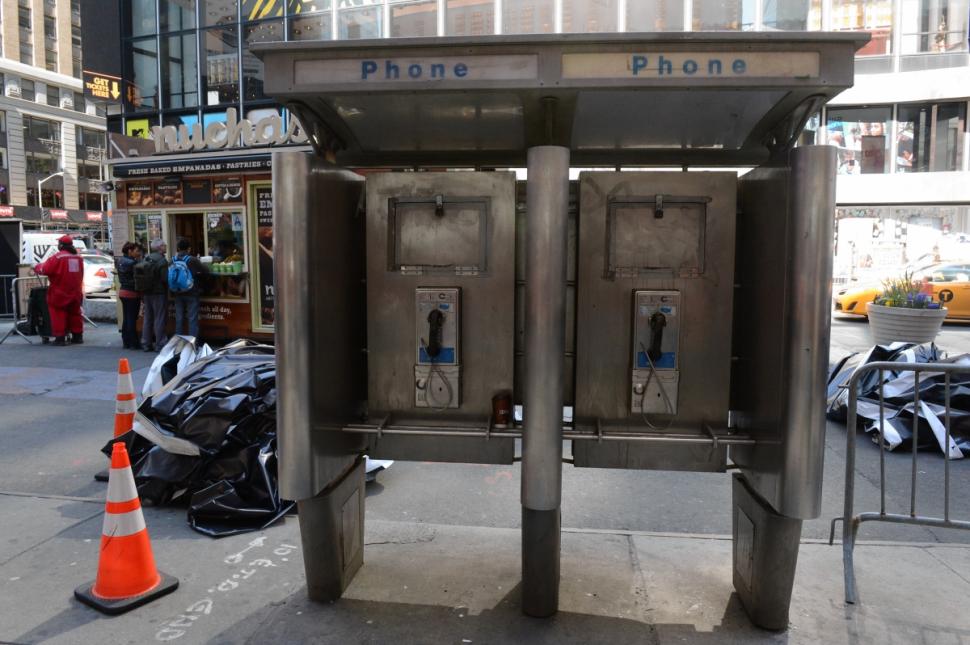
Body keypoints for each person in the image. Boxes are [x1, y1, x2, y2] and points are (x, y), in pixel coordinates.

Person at [33, 235, 84, 346]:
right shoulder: (78, 257)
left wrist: (36, 267)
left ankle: (60, 338)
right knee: (75, 314)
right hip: (75, 292)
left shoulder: (57, 257)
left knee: (58, 314)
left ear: (61, 245)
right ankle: (77, 336)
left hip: (59, 292)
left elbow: (44, 269)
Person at [171, 239, 207, 339]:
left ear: (178, 248)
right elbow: (205, 271)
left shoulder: (173, 259)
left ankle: (178, 342)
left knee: (179, 318)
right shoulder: (192, 260)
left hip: (177, 292)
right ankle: (192, 343)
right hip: (191, 292)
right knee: (192, 318)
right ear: (189, 249)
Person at [141, 239, 169, 352]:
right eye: (164, 245)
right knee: (159, 318)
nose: (166, 246)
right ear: (160, 247)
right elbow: (165, 278)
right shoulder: (162, 260)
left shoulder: (146, 258)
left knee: (148, 318)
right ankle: (160, 343)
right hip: (159, 292)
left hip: (147, 292)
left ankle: (146, 343)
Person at [116, 242, 143, 349]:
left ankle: (126, 341)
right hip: (132, 293)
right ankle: (133, 342)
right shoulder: (133, 263)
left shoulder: (120, 261)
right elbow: (138, 279)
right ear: (129, 251)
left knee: (127, 318)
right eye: (136, 251)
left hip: (123, 292)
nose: (138, 253)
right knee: (132, 318)